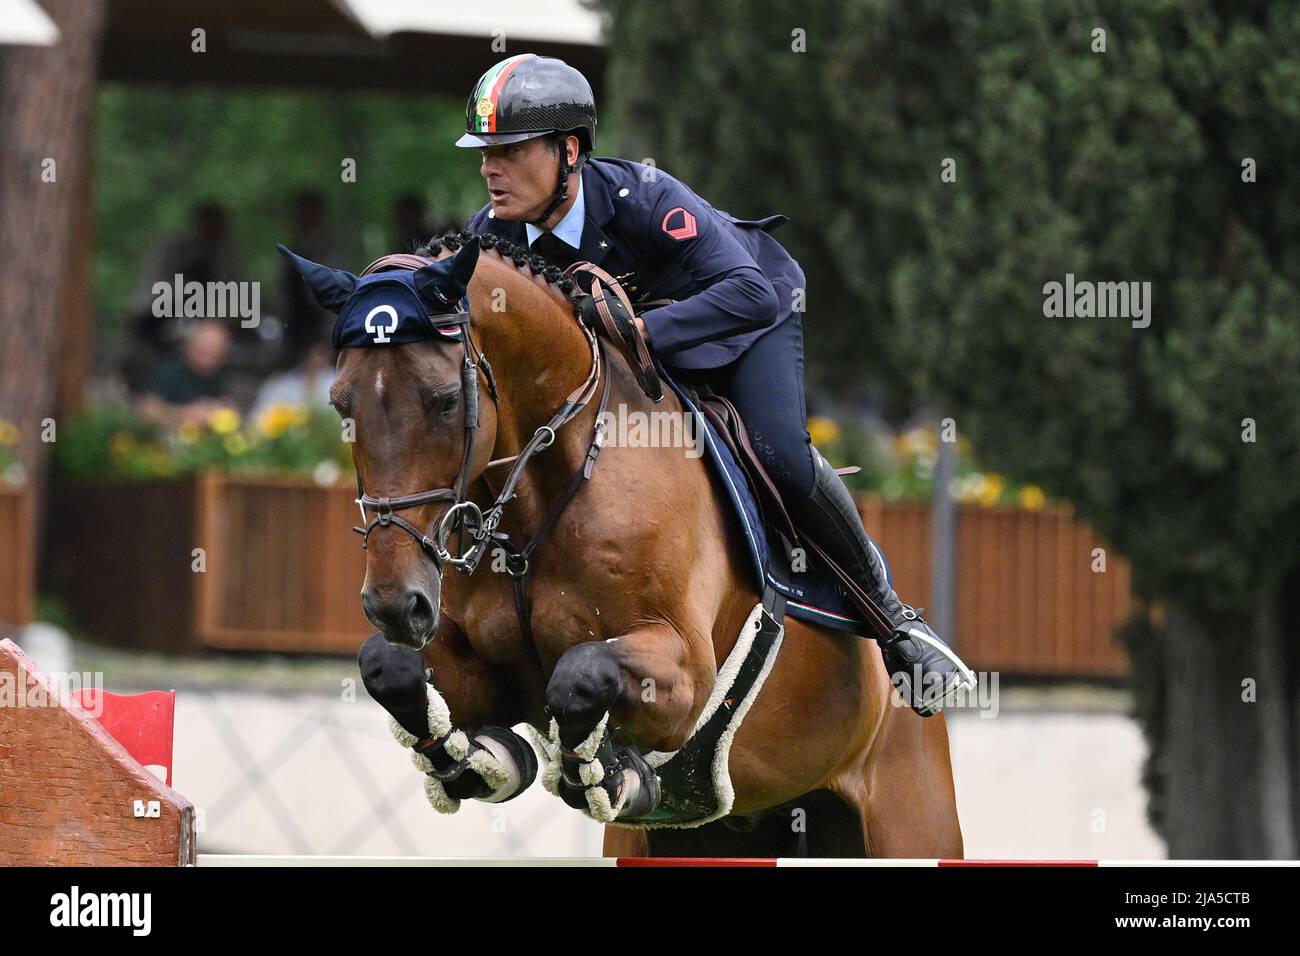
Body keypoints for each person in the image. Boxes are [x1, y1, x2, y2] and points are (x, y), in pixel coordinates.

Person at [454, 53, 975, 716]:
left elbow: (750, 294)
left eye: (510, 150)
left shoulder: (642, 198)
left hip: (746, 325)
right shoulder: (491, 238)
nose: (488, 169)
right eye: (484, 152)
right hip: (640, 363)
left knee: (778, 451)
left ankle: (898, 624)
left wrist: (639, 332)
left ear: (570, 151)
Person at [137, 318, 235, 427]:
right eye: (204, 353)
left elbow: (226, 402)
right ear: (189, 347)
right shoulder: (169, 371)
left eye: (216, 356)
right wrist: (185, 413)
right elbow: (146, 411)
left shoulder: (219, 374)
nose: (208, 362)